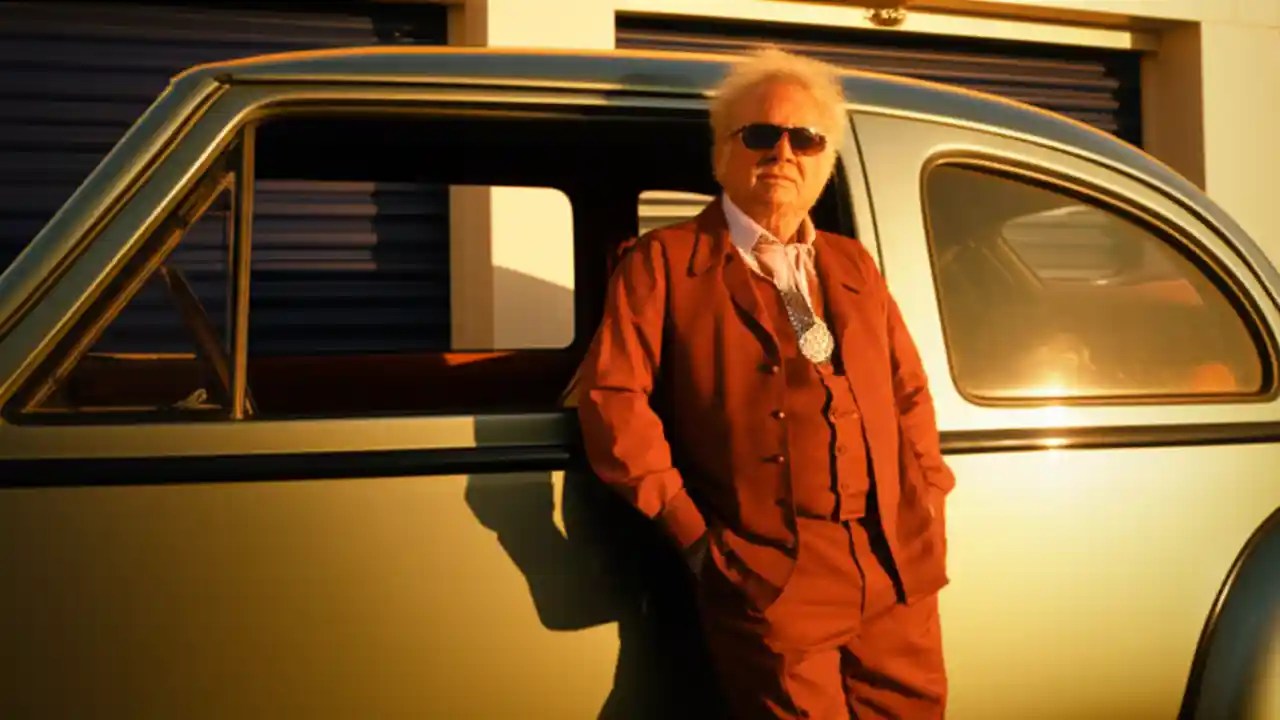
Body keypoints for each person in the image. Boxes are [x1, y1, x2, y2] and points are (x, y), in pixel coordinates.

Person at [577, 47, 954, 719]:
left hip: (894, 562)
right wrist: (697, 540)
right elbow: (612, 401)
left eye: (804, 139)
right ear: (722, 153)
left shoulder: (853, 264)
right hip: (773, 572)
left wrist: (928, 495)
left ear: (824, 163)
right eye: (760, 134)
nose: (782, 153)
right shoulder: (664, 263)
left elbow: (909, 393)